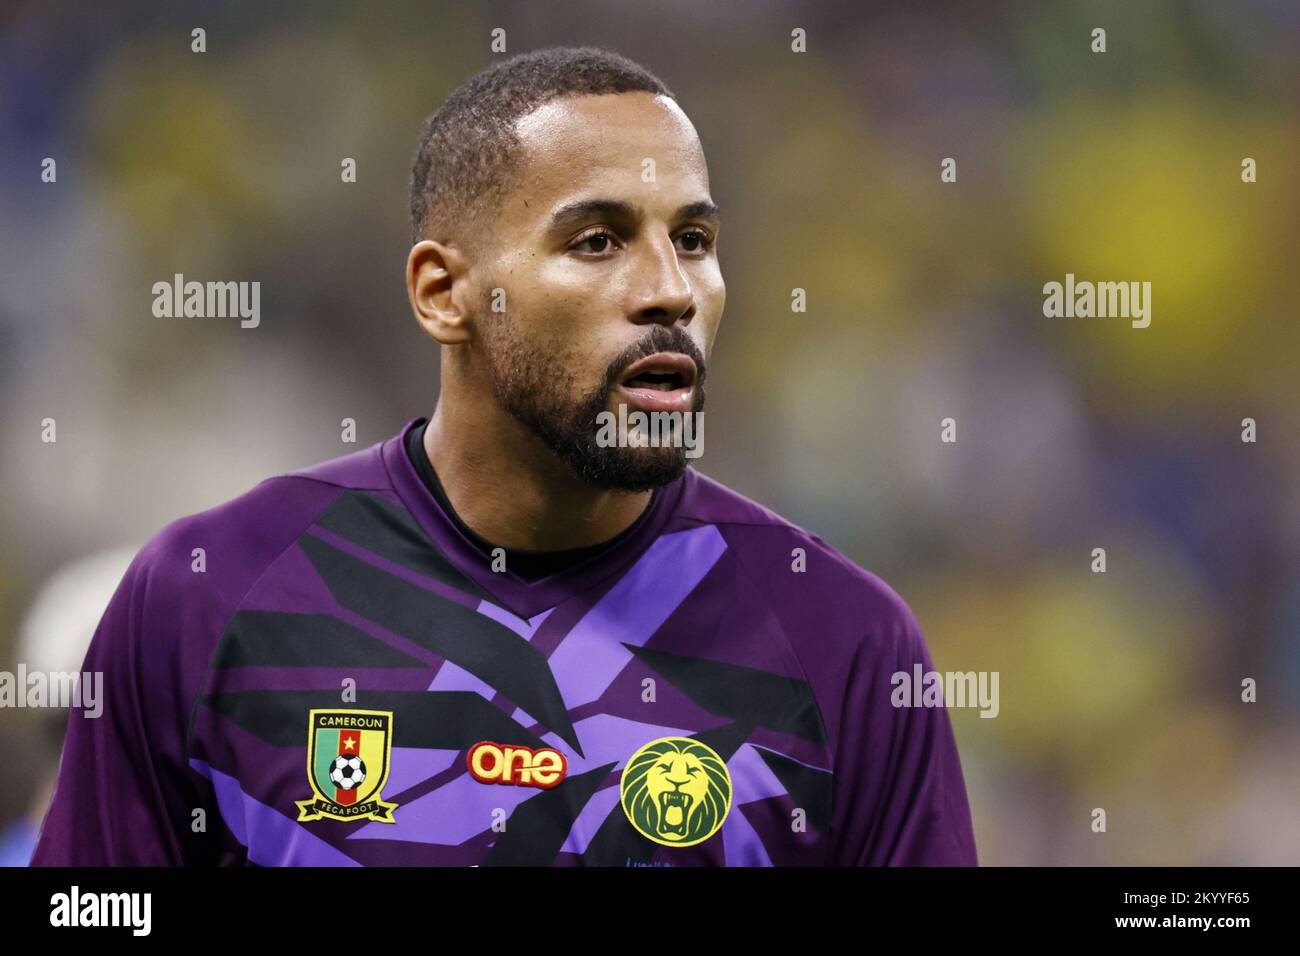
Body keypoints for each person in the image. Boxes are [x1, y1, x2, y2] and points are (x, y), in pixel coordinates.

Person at [31, 46, 976, 866]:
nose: (671, 291)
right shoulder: (207, 599)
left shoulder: (845, 643)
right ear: (445, 294)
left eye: (694, 240)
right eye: (598, 241)